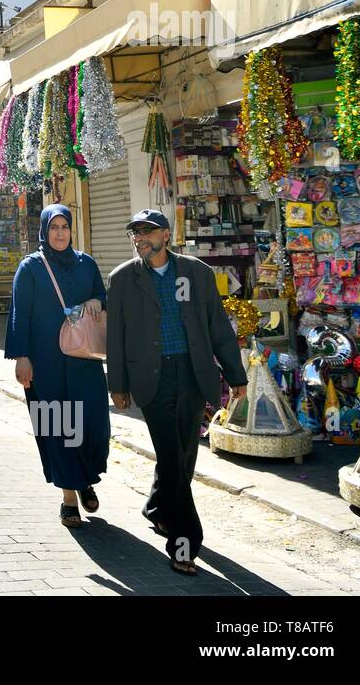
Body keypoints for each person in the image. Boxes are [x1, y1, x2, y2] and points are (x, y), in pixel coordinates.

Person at [107, 209, 248, 577]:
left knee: (184, 455)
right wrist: (117, 385)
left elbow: (217, 326)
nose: (140, 239)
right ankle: (184, 544)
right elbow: (116, 337)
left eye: (147, 232)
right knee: (170, 456)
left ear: (166, 235)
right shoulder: (123, 279)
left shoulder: (196, 273)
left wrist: (236, 375)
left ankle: (157, 508)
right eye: (135, 233)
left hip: (191, 374)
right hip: (150, 380)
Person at [4, 204, 110, 530]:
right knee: (58, 426)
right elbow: (20, 314)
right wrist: (22, 356)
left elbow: (101, 298)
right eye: (54, 228)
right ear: (44, 231)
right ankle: (69, 498)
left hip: (83, 361)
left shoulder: (86, 263)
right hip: (46, 363)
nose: (60, 233)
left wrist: (95, 302)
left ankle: (84, 478)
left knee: (91, 425)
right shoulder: (31, 267)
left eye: (65, 227)